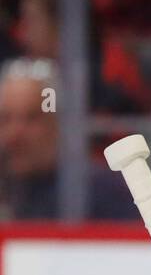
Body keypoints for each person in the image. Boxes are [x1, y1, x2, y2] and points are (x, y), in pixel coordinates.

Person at [0, 58, 132, 221]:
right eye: (5, 119)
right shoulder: (10, 192)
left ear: (59, 123)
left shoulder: (102, 192)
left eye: (32, 118)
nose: (14, 134)